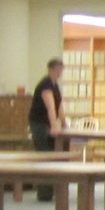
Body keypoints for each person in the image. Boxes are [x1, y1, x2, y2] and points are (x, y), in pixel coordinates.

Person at [27, 57, 63, 201]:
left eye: (61, 68)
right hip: (39, 124)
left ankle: (51, 190)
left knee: (52, 156)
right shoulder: (46, 84)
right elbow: (50, 106)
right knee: (44, 156)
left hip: (47, 124)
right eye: (58, 69)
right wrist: (54, 126)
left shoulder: (55, 85)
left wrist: (65, 123)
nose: (60, 71)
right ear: (51, 69)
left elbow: (59, 105)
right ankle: (43, 193)